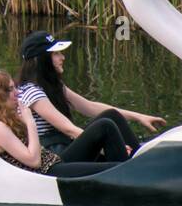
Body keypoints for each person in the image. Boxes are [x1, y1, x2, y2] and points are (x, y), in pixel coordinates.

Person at [17, 30, 166, 163]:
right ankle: (130, 167)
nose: (62, 57)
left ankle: (137, 158)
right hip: (54, 157)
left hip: (66, 145)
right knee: (104, 127)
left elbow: (89, 107)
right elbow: (68, 129)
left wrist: (139, 117)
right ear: (40, 60)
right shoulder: (31, 92)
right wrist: (105, 145)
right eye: (56, 54)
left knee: (110, 115)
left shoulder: (53, 86)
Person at [0, 71, 121, 178]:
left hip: (54, 161)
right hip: (48, 173)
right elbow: (34, 161)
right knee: (116, 169)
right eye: (11, 89)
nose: (17, 93)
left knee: (105, 125)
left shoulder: (5, 118)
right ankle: (128, 179)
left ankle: (127, 168)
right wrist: (30, 122)